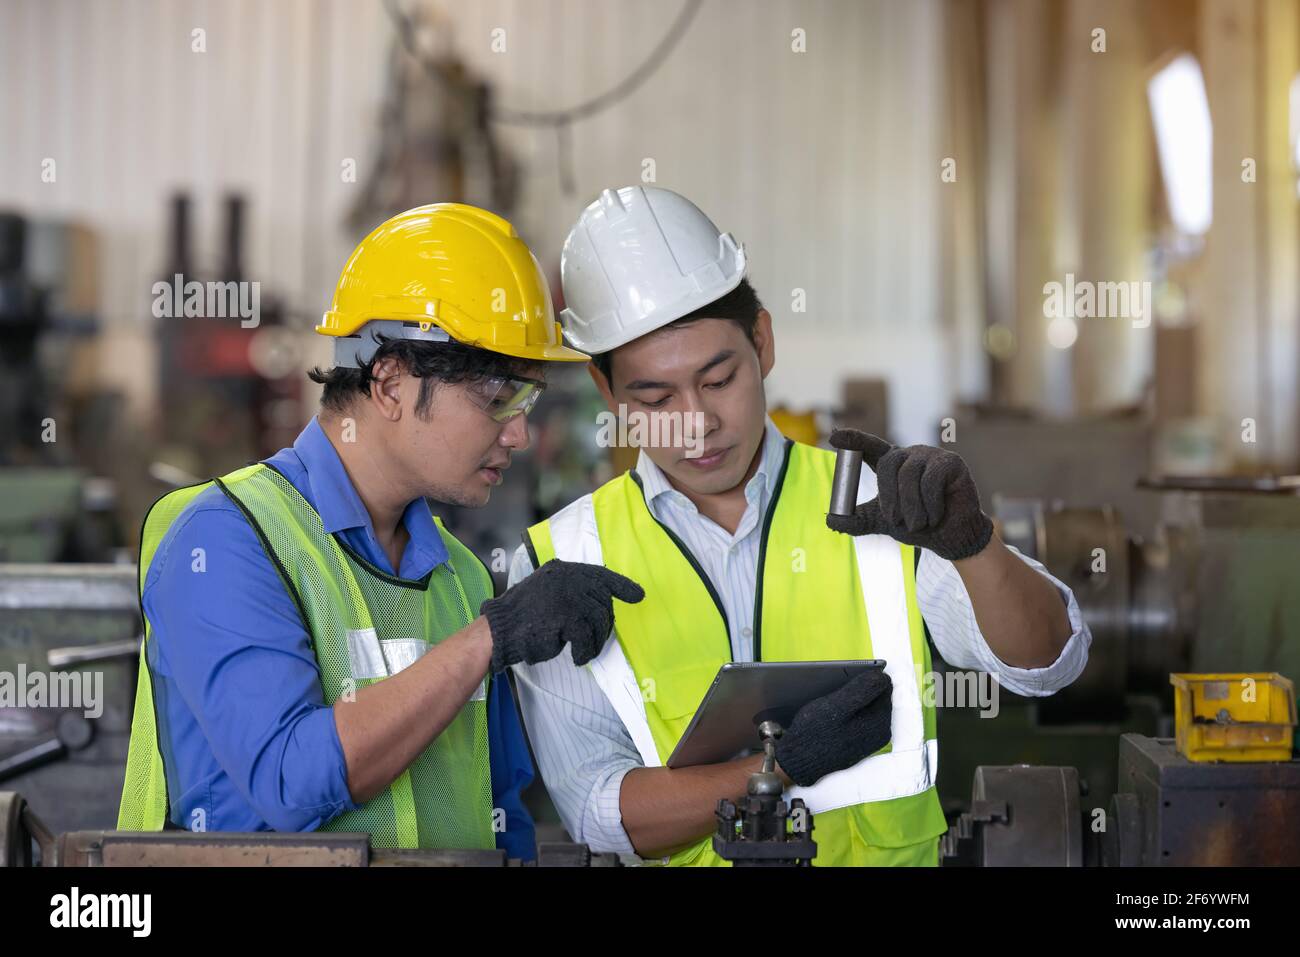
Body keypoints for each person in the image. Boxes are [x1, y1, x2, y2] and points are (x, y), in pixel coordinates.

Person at [509, 186, 1091, 866]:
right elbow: (597, 813)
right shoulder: (562, 563)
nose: (696, 423)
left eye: (719, 378)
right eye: (655, 397)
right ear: (608, 393)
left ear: (763, 341)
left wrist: (975, 544)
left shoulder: (882, 504)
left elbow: (1048, 668)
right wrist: (781, 767)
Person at [118, 203, 643, 859]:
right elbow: (289, 779)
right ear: (390, 383)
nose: (518, 433)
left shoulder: (462, 575)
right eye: (498, 399)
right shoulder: (226, 541)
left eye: (527, 403)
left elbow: (501, 808)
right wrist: (488, 639)